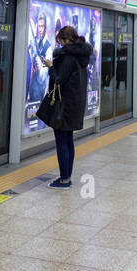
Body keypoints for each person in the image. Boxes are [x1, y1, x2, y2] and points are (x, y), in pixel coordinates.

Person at [43, 25, 93, 189]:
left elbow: (59, 79)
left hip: (64, 105)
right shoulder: (81, 57)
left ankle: (64, 179)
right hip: (75, 103)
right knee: (68, 140)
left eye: (61, 41)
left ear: (66, 40)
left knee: (62, 141)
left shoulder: (68, 57)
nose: (60, 44)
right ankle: (67, 176)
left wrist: (51, 67)